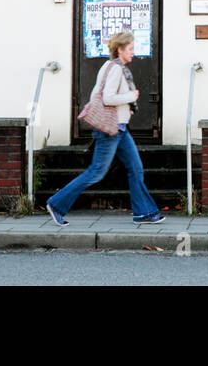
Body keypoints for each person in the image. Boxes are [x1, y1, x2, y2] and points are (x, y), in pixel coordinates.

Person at [45, 31, 164, 226]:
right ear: (120, 49)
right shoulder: (115, 69)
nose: (134, 52)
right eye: (131, 48)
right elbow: (108, 98)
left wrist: (127, 107)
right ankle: (56, 204)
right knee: (97, 172)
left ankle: (144, 213)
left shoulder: (111, 67)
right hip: (110, 129)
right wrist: (131, 97)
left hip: (120, 128)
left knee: (135, 168)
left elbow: (100, 95)